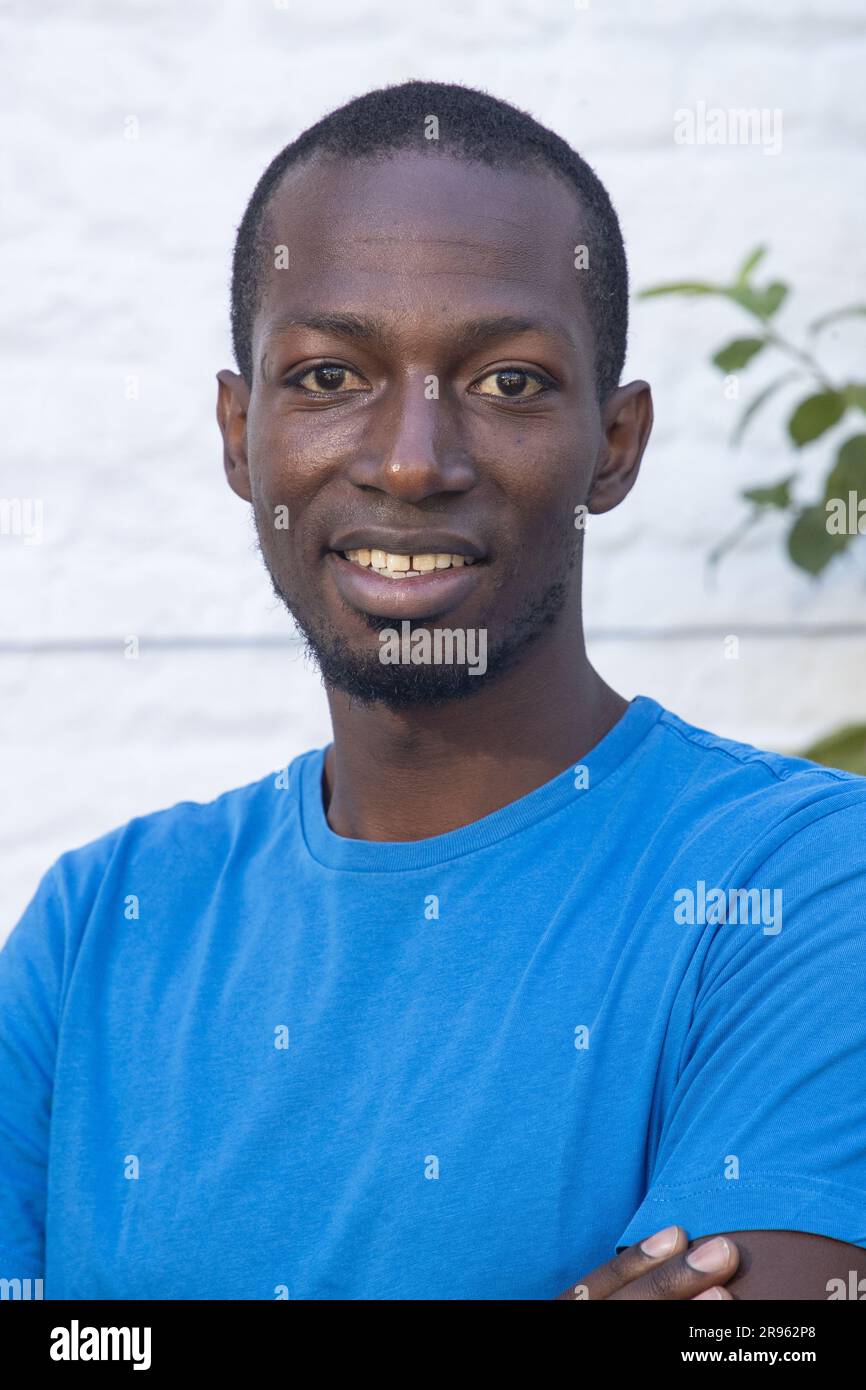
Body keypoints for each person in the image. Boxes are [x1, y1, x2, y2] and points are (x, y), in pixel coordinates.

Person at [2, 81, 865, 1302]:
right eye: (328, 376)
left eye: (506, 382)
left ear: (613, 446)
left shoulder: (802, 882)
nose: (411, 460)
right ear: (238, 432)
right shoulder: (99, 925)